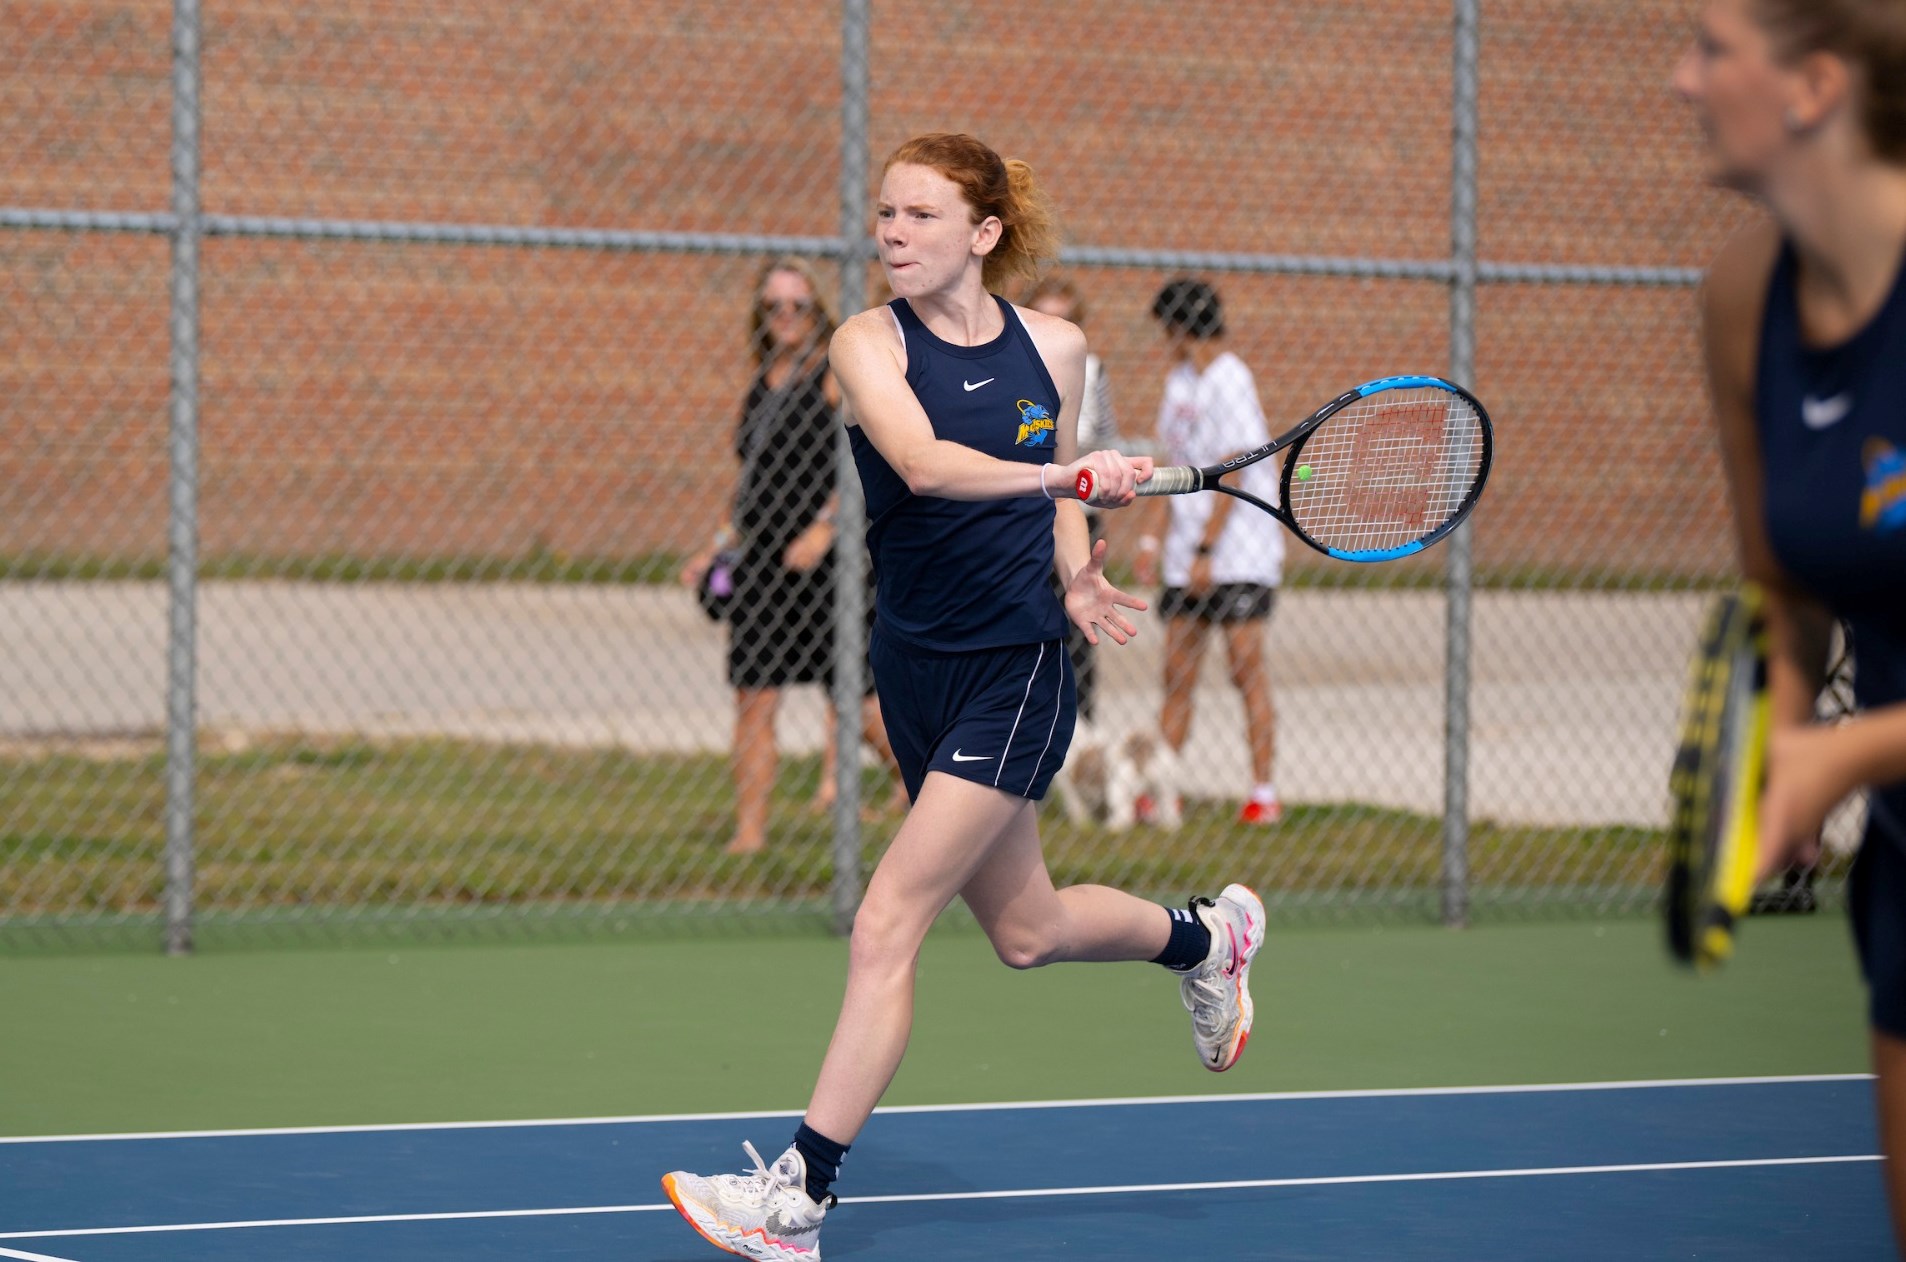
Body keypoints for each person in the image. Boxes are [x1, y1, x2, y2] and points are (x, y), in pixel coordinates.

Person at [661, 133, 1267, 1261]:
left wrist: (1078, 562)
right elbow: (926, 461)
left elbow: (1059, 487)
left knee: (888, 919)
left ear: (982, 234)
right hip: (914, 665)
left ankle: (798, 1197)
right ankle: (1206, 939)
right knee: (1026, 931)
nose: (893, 232)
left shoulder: (1058, 346)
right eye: (886, 213)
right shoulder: (864, 342)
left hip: (1018, 669)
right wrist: (1066, 477)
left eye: (922, 216)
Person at [1673, 0, 1906, 1247]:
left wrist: (1847, 752)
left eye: (1710, 50)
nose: (1679, 79)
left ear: (1814, 85)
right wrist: (1783, 733)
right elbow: (1786, 586)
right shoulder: (1742, 296)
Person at [679, 257, 900, 855]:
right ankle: (749, 835)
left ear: (816, 310)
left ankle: (920, 790)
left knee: (858, 701)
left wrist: (827, 527)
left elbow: (868, 454)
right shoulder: (760, 383)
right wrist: (716, 546)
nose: (785, 316)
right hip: (760, 561)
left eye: (797, 305)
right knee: (754, 698)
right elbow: (747, 483)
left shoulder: (831, 373)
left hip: (826, 566)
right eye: (773, 306)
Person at [1132, 277, 1285, 825]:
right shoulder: (1180, 383)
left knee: (1246, 669)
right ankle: (1159, 791)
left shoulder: (1230, 378)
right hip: (1186, 553)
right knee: (1177, 674)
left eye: (1165, 330)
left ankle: (1262, 794)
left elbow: (1234, 469)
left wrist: (1206, 550)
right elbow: (1171, 467)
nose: (1163, 341)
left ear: (1180, 327)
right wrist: (1154, 540)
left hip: (1238, 554)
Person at [1024, 275, 1129, 725]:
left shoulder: (1093, 370)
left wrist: (1105, 472)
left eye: (1066, 320)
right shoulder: (1015, 371)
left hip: (1077, 516)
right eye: (1046, 317)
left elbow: (1106, 436)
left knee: (1081, 628)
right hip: (1027, 520)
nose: (1056, 328)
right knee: (1031, 628)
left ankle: (1079, 729)